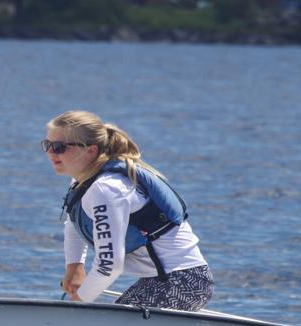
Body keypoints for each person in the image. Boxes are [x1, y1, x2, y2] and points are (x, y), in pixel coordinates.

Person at [46, 111, 212, 311]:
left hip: (183, 281)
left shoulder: (106, 188)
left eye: (59, 147)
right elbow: (74, 222)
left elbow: (109, 265)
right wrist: (74, 267)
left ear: (90, 150)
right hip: (159, 279)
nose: (51, 153)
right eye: (47, 145)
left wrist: (76, 306)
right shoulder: (83, 180)